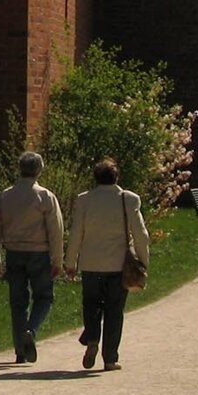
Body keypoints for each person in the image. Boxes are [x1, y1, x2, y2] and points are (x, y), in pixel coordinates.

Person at [64, 157, 150, 371]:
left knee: (91, 305)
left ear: (96, 177)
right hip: (118, 265)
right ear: (116, 177)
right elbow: (141, 234)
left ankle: (92, 338)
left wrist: (70, 261)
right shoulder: (128, 200)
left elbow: (76, 233)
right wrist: (143, 261)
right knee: (114, 310)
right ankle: (110, 358)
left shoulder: (84, 200)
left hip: (91, 264)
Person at [0, 150, 65, 363]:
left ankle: (20, 351)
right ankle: (30, 329)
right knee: (44, 297)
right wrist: (57, 260)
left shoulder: (6, 196)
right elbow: (56, 230)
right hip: (39, 253)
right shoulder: (45, 196)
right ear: (39, 170)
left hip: (14, 252)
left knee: (18, 302)